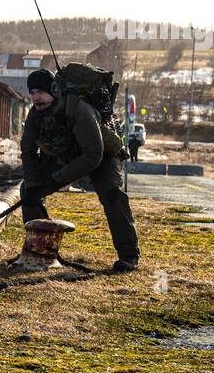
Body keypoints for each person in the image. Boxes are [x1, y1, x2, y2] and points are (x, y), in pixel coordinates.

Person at [19, 69, 140, 272]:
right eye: (32, 93)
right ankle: (40, 250)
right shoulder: (35, 114)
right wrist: (32, 183)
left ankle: (129, 256)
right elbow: (28, 150)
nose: (35, 97)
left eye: (40, 91)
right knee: (28, 191)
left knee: (113, 195)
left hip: (102, 156)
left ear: (55, 90)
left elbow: (93, 154)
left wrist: (60, 176)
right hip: (67, 155)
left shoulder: (79, 109)